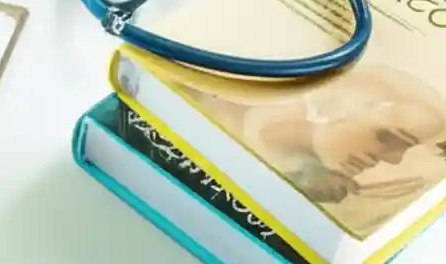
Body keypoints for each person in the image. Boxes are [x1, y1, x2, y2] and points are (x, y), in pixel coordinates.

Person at [183, 62, 446, 206]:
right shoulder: (216, 99)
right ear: (341, 102)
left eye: (405, 148)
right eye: (388, 138)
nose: (393, 159)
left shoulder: (328, 195)